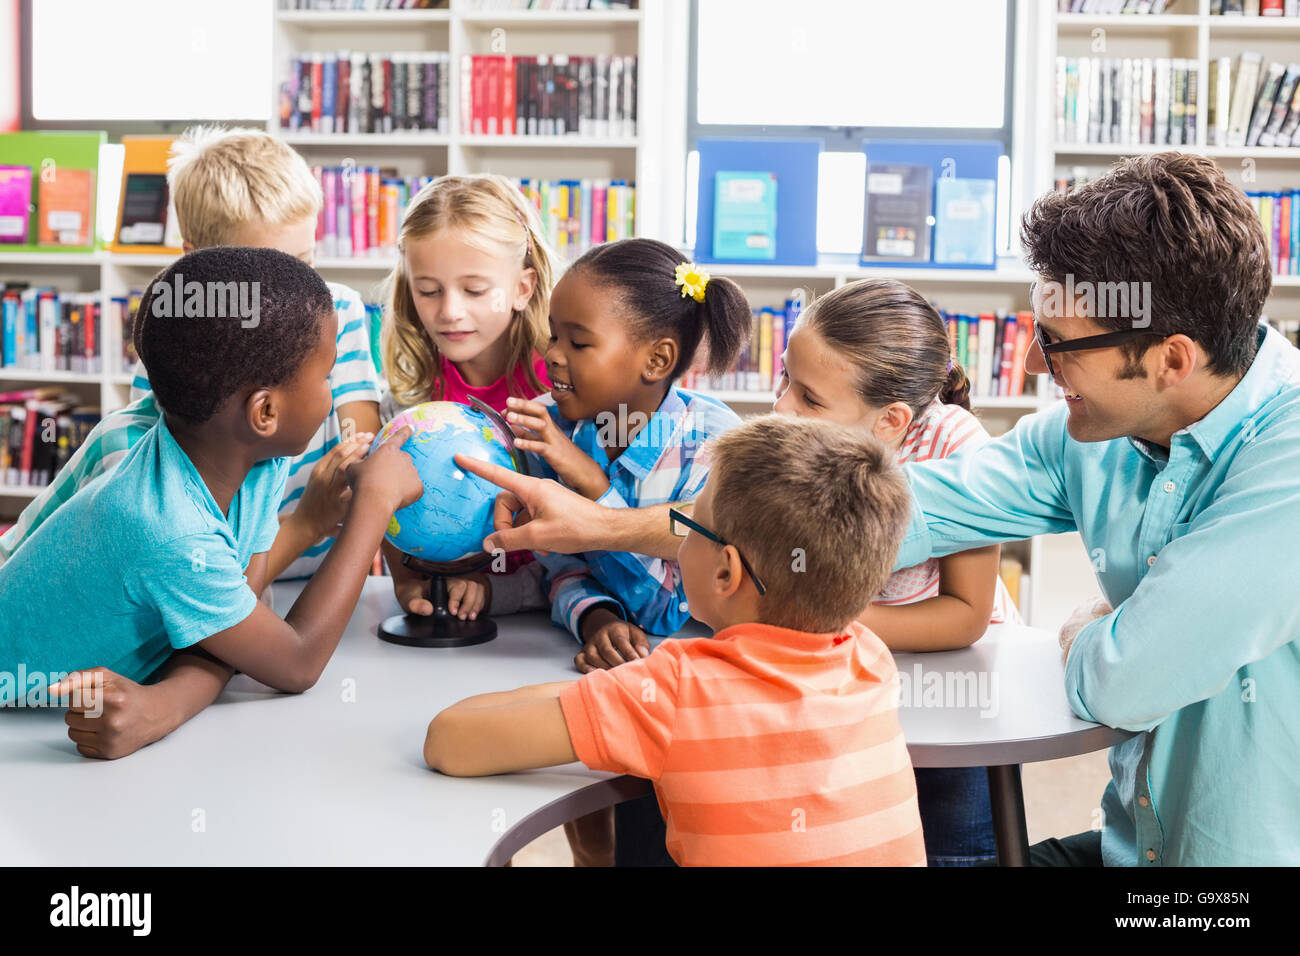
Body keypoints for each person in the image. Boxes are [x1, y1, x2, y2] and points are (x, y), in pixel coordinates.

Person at [461, 151, 1300, 866]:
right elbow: (853, 516)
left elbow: (1126, 678)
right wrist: (602, 524)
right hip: (1129, 844)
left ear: (1171, 359)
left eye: (1060, 344)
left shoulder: (1287, 464)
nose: (1040, 365)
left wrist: (1087, 633)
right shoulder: (1086, 437)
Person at [430, 415, 927, 867]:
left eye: (689, 527)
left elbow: (450, 741)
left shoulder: (675, 691)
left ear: (726, 572)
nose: (679, 539)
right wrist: (609, 693)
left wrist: (614, 692)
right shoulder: (869, 659)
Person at [0, 249, 422, 760]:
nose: (333, 393)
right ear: (265, 411)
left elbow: (240, 621)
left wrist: (166, 704)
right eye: (327, 375)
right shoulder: (167, 529)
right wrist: (372, 505)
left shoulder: (254, 460)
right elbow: (295, 664)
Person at [0, 125, 384, 583]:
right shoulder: (182, 339)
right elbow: (174, 530)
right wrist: (304, 525)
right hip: (217, 577)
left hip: (316, 575)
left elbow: (360, 451)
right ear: (196, 264)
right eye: (269, 278)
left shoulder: (337, 308)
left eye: (305, 262)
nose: (299, 294)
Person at [772, 277, 1020, 865]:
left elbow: (965, 617)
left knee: (957, 845)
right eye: (786, 379)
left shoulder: (958, 450)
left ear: (891, 421)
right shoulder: (792, 438)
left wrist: (830, 617)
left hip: (955, 679)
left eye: (808, 397)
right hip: (852, 664)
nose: (781, 406)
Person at [378, 173, 555, 622]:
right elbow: (386, 504)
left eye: (474, 290)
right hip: (445, 610)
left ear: (523, 287)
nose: (449, 311)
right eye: (428, 290)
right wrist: (405, 581)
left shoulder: (556, 389)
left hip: (547, 609)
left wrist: (498, 589)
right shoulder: (413, 390)